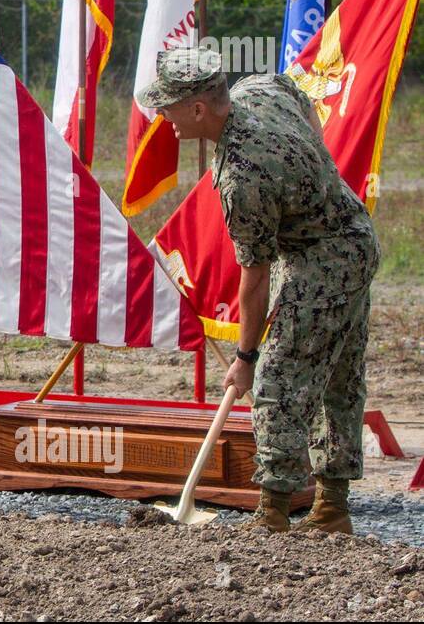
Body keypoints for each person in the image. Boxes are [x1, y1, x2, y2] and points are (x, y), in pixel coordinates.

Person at [138, 46, 380, 534]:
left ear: (199, 108)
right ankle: (333, 508)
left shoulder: (243, 176)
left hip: (324, 259)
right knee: (338, 377)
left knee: (278, 382)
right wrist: (318, 171)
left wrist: (245, 358)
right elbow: (302, 97)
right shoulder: (258, 88)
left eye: (167, 107)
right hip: (356, 237)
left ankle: (272, 511)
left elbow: (254, 276)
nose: (162, 117)